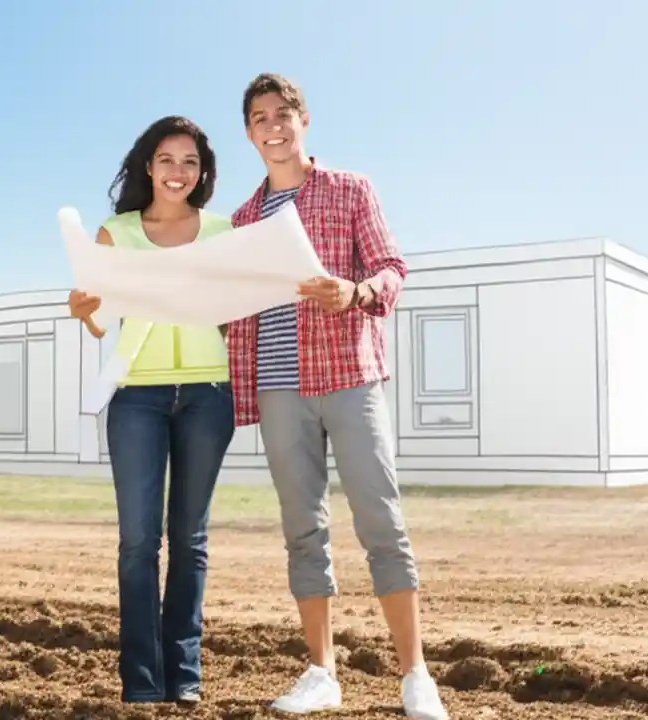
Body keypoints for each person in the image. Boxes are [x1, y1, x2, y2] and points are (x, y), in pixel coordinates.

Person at [223, 73, 449, 719]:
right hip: (278, 388)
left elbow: (392, 268)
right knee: (303, 531)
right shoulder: (241, 220)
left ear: (303, 120)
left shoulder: (351, 189)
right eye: (260, 118)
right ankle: (322, 673)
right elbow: (230, 303)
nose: (273, 127)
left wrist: (356, 292)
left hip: (349, 377)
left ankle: (415, 676)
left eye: (283, 114)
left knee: (382, 522)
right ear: (249, 134)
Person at [68, 115, 236, 705]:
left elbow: (235, 312)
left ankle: (184, 678)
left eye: (190, 162)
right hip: (137, 396)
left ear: (202, 172)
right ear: (148, 165)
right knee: (139, 542)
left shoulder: (223, 231)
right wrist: (84, 310)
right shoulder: (115, 232)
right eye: (167, 159)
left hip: (208, 394)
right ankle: (141, 684)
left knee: (190, 540)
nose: (177, 171)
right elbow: (99, 321)